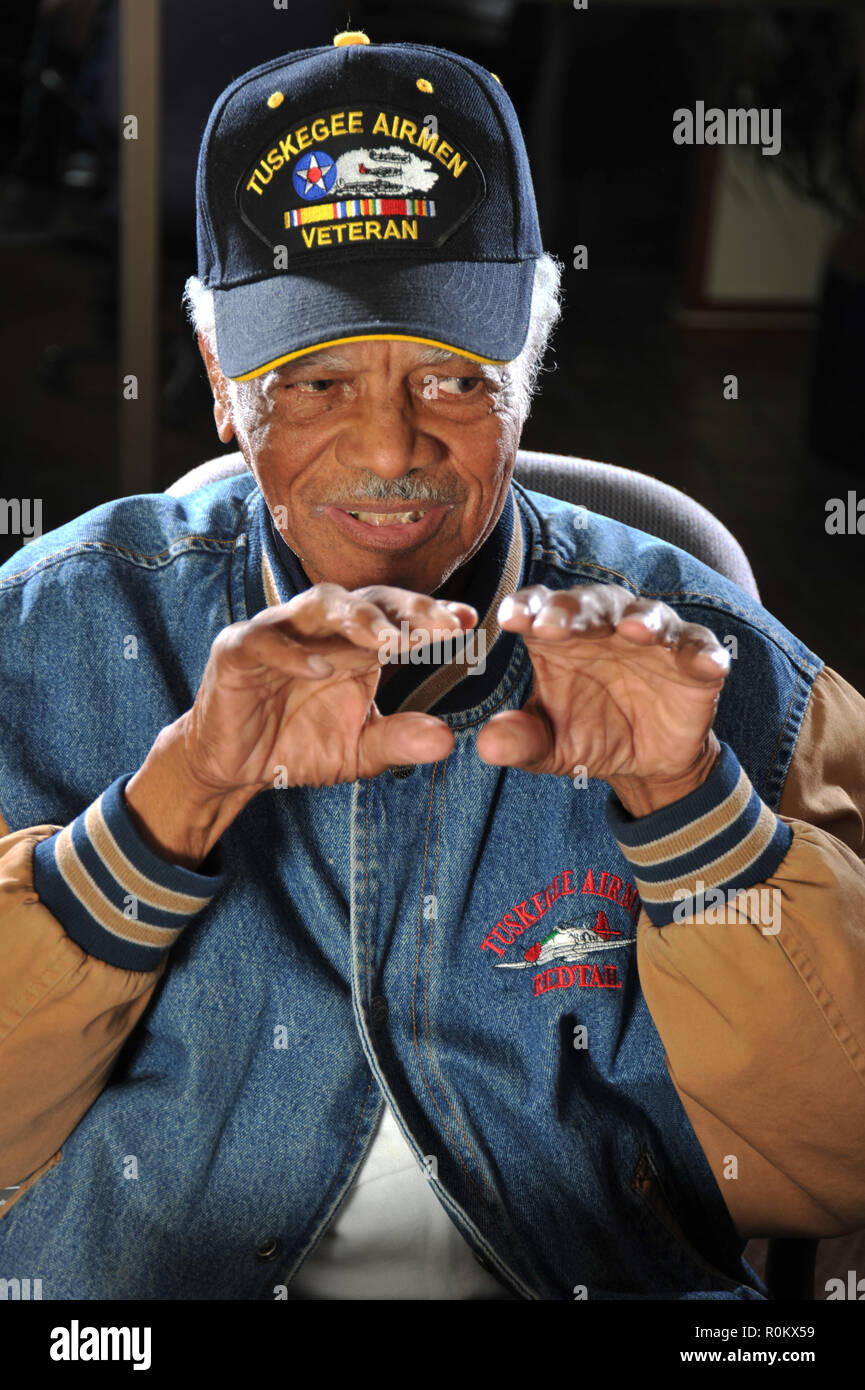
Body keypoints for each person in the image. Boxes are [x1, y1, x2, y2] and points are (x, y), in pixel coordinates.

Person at [0, 30, 863, 1303]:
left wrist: (695, 815)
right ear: (224, 391)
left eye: (454, 376)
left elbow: (836, 1166)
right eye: (317, 380)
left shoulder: (719, 664)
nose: (387, 446)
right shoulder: (43, 635)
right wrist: (168, 805)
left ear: (528, 372)